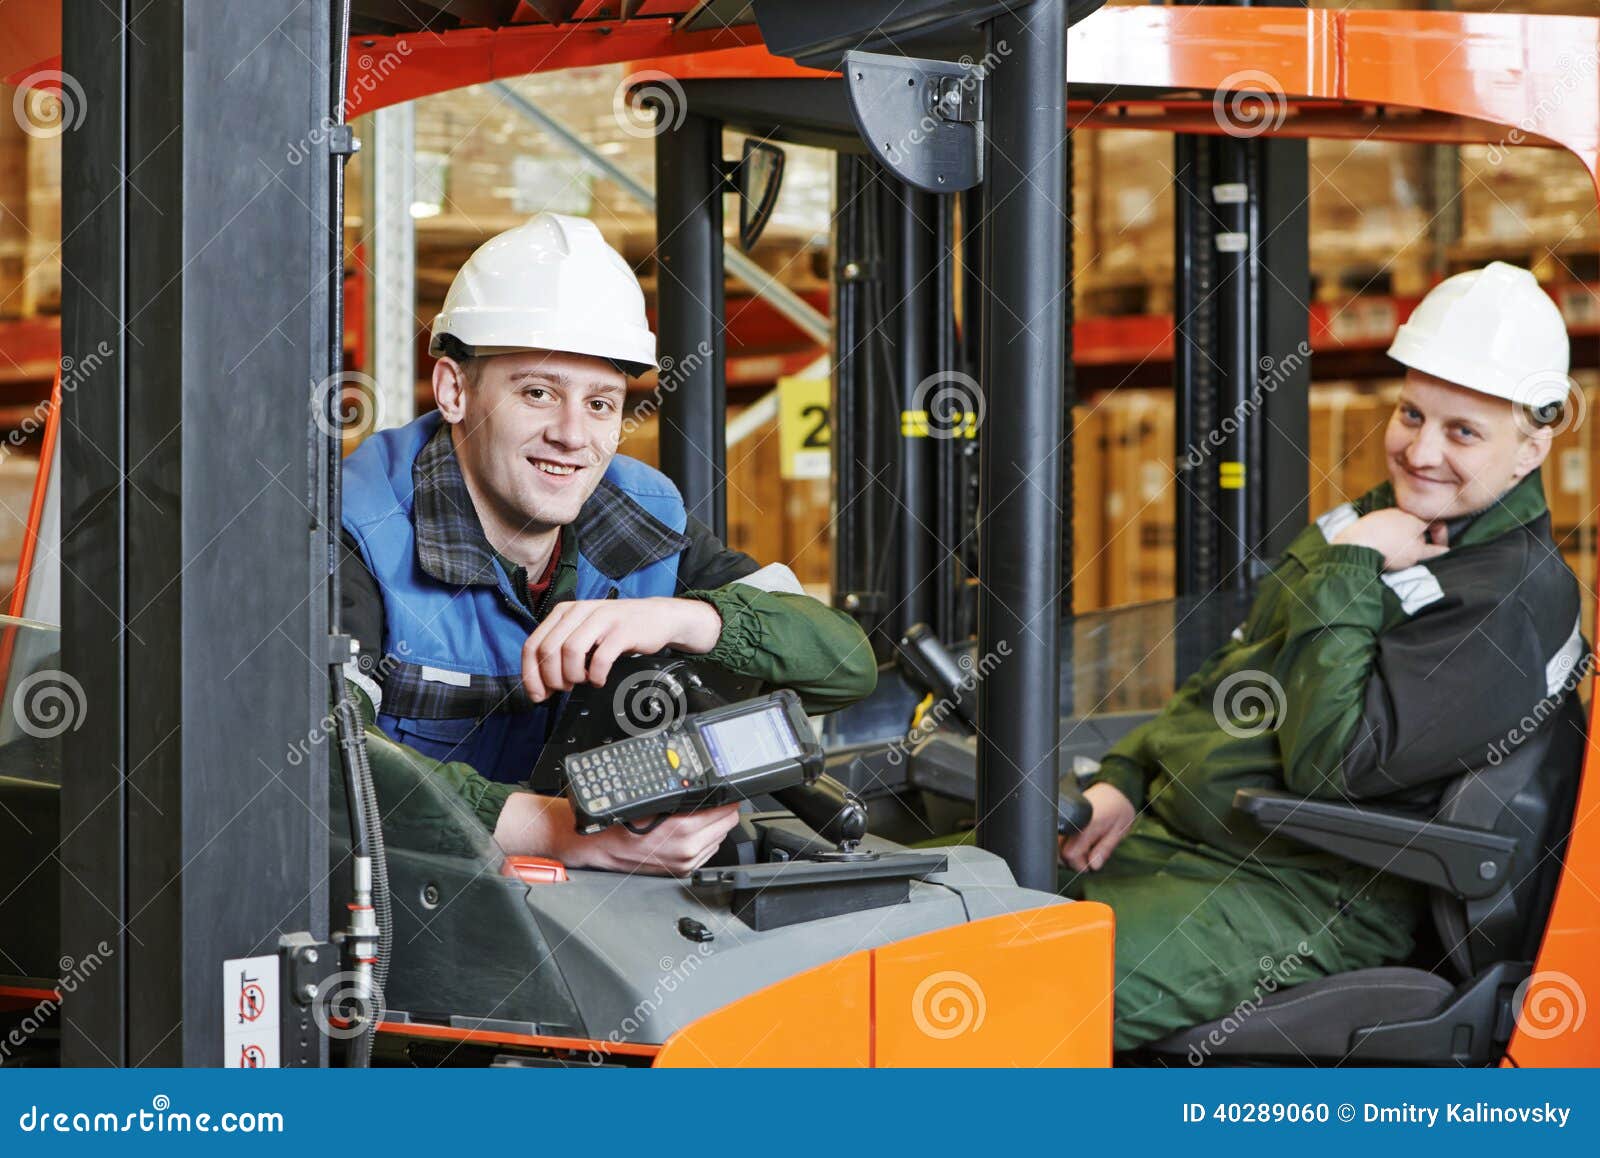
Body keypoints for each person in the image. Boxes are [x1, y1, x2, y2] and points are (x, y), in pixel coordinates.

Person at [1059, 262, 1587, 1049]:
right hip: (1187, 838)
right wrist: (1126, 778)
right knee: (927, 916)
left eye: (1463, 431)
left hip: (1305, 892)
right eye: (1412, 414)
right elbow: (1239, 669)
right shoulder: (1384, 517)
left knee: (1018, 997)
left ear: (1532, 446)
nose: (1420, 450)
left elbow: (1333, 766)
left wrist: (1351, 566)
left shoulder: (1508, 599)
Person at [338, 213, 877, 876]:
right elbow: (319, 765)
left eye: (601, 403)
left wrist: (680, 616)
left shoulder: (640, 517)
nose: (573, 434)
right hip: (400, 929)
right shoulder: (353, 530)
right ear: (455, 389)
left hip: (596, 931)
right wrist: (558, 830)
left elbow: (846, 663)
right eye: (538, 392)